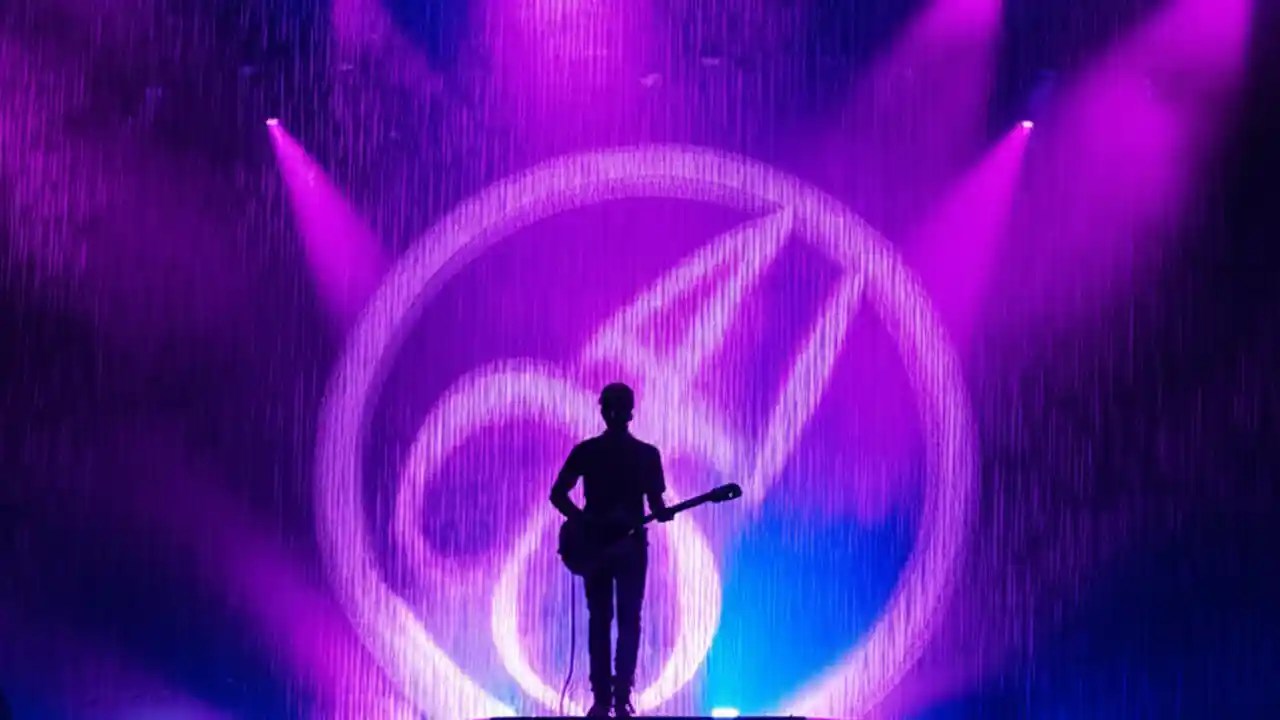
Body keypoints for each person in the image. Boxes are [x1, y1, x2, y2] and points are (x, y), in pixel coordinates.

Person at [551, 382, 673, 717]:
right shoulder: (645, 454)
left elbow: (558, 494)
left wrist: (584, 521)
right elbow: (656, 504)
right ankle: (617, 699)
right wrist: (586, 523)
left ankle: (606, 700)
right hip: (624, 546)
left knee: (603, 620)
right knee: (624, 620)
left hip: (606, 546)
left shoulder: (589, 451)